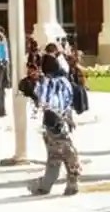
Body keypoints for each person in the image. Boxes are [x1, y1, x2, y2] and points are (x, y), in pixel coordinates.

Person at [20, 54, 81, 196]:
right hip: (61, 121)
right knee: (63, 154)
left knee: (58, 155)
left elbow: (44, 101)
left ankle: (47, 185)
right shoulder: (63, 81)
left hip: (52, 122)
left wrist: (34, 87)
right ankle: (58, 184)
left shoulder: (48, 82)